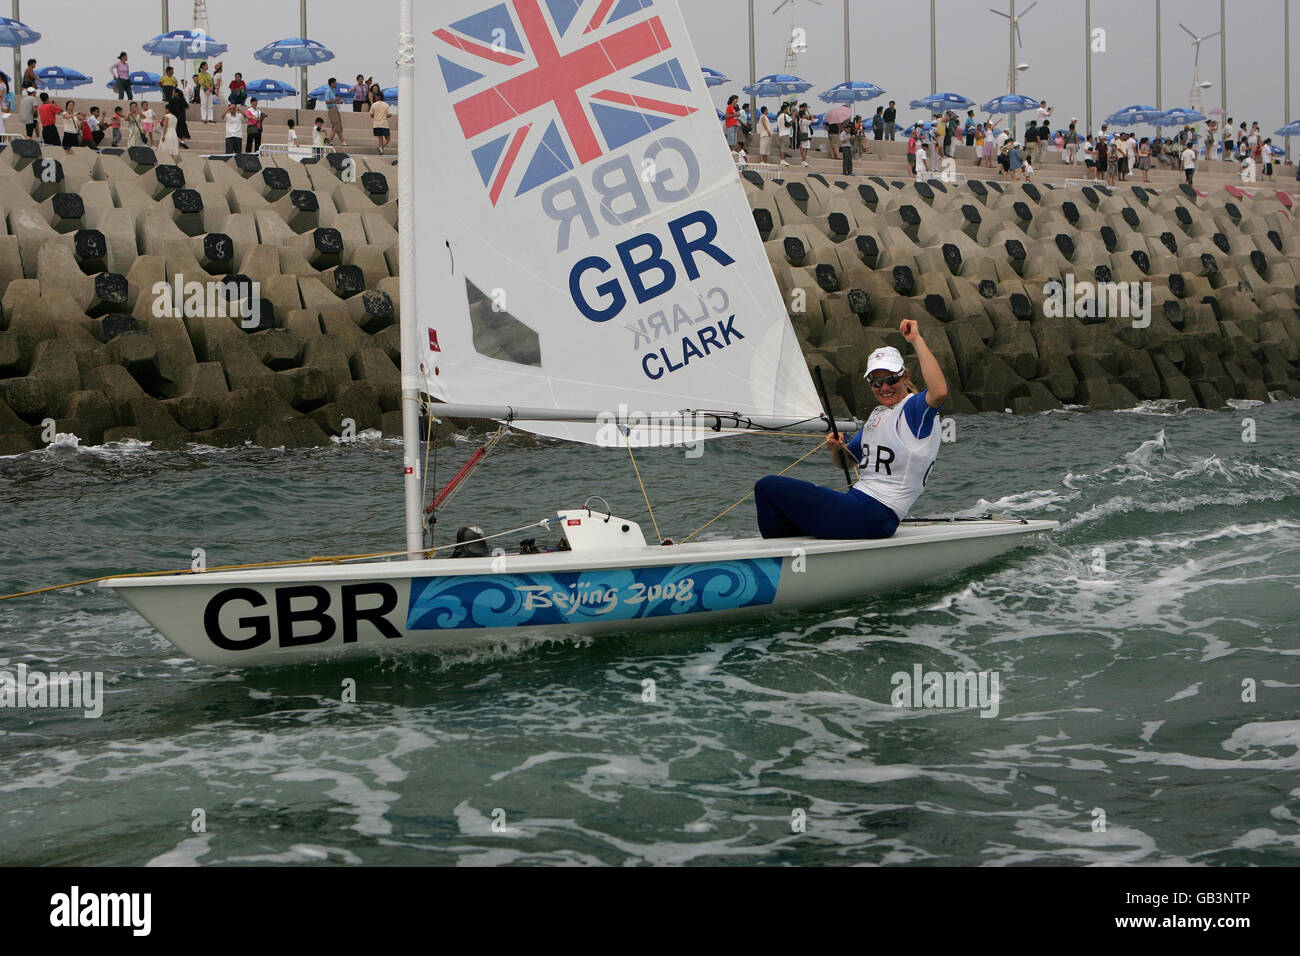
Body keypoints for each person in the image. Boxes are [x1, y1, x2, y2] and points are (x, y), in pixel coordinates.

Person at [754, 326, 947, 541]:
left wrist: (917, 339)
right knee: (781, 507)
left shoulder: (914, 411)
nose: (884, 387)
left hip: (875, 514)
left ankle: (778, 559)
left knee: (767, 487)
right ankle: (791, 553)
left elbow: (939, 391)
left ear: (904, 377)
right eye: (876, 382)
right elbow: (847, 462)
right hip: (859, 508)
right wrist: (837, 449)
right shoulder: (878, 415)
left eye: (891, 379)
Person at [324, 78, 348, 147]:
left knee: (339, 126)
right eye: (335, 82)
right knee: (335, 125)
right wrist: (336, 99)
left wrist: (338, 102)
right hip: (332, 110)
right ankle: (329, 141)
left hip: (335, 108)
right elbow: (327, 101)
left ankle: (343, 142)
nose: (336, 84)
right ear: (332, 83)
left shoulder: (332, 91)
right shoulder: (328, 91)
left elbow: (332, 101)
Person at [370, 89, 392, 154]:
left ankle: (380, 151)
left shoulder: (373, 105)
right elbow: (389, 115)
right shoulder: (386, 105)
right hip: (384, 124)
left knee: (380, 139)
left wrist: (376, 116)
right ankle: (381, 148)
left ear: (379, 97)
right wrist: (385, 116)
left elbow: (371, 115)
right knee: (388, 139)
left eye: (376, 96)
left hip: (376, 124)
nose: (375, 97)